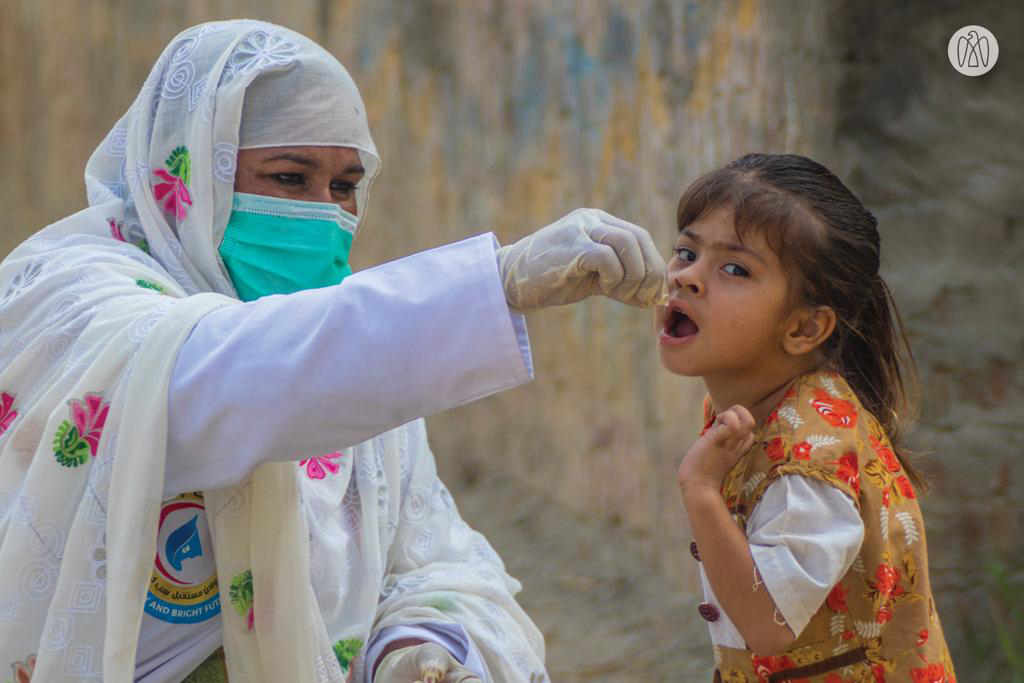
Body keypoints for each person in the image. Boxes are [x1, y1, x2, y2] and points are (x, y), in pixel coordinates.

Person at [0, 20, 666, 683]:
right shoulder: (71, 295)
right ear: (194, 173)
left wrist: (422, 646)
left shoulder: (351, 360)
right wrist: (496, 283)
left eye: (345, 187)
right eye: (290, 178)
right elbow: (220, 376)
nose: (325, 212)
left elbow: (434, 556)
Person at [660, 154, 956, 682]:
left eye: (734, 268)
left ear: (804, 329)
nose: (688, 278)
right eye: (686, 252)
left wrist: (701, 489)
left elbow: (768, 624)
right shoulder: (749, 407)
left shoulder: (812, 458)